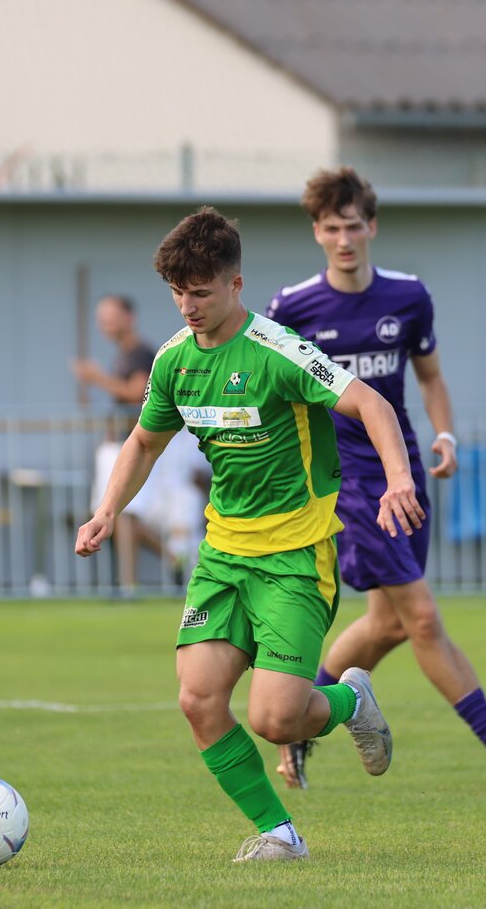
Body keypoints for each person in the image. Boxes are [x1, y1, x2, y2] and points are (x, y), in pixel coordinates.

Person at [76, 207, 424, 864]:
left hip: (295, 556)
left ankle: (351, 699)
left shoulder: (279, 352)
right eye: (177, 292)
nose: (187, 306)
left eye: (200, 292)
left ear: (235, 285)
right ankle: (281, 835)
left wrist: (399, 480)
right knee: (197, 699)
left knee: (273, 718)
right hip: (223, 557)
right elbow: (145, 441)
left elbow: (371, 404)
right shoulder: (175, 360)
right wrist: (106, 512)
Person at [264, 167, 486, 790]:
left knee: (389, 624)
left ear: (371, 227)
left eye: (353, 226)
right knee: (422, 619)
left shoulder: (408, 296)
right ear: (317, 234)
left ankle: (295, 729)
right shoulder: (291, 308)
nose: (344, 239)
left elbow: (430, 378)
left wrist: (445, 435)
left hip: (404, 472)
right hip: (346, 487)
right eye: (331, 229)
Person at [71, 293, 184, 590]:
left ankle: (128, 585)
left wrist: (96, 378)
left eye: (110, 317)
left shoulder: (140, 353)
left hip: (135, 444)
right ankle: (169, 558)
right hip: (121, 444)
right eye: (101, 319)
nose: (104, 324)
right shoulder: (125, 353)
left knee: (125, 514)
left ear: (128, 318)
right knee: (116, 515)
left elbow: (136, 393)